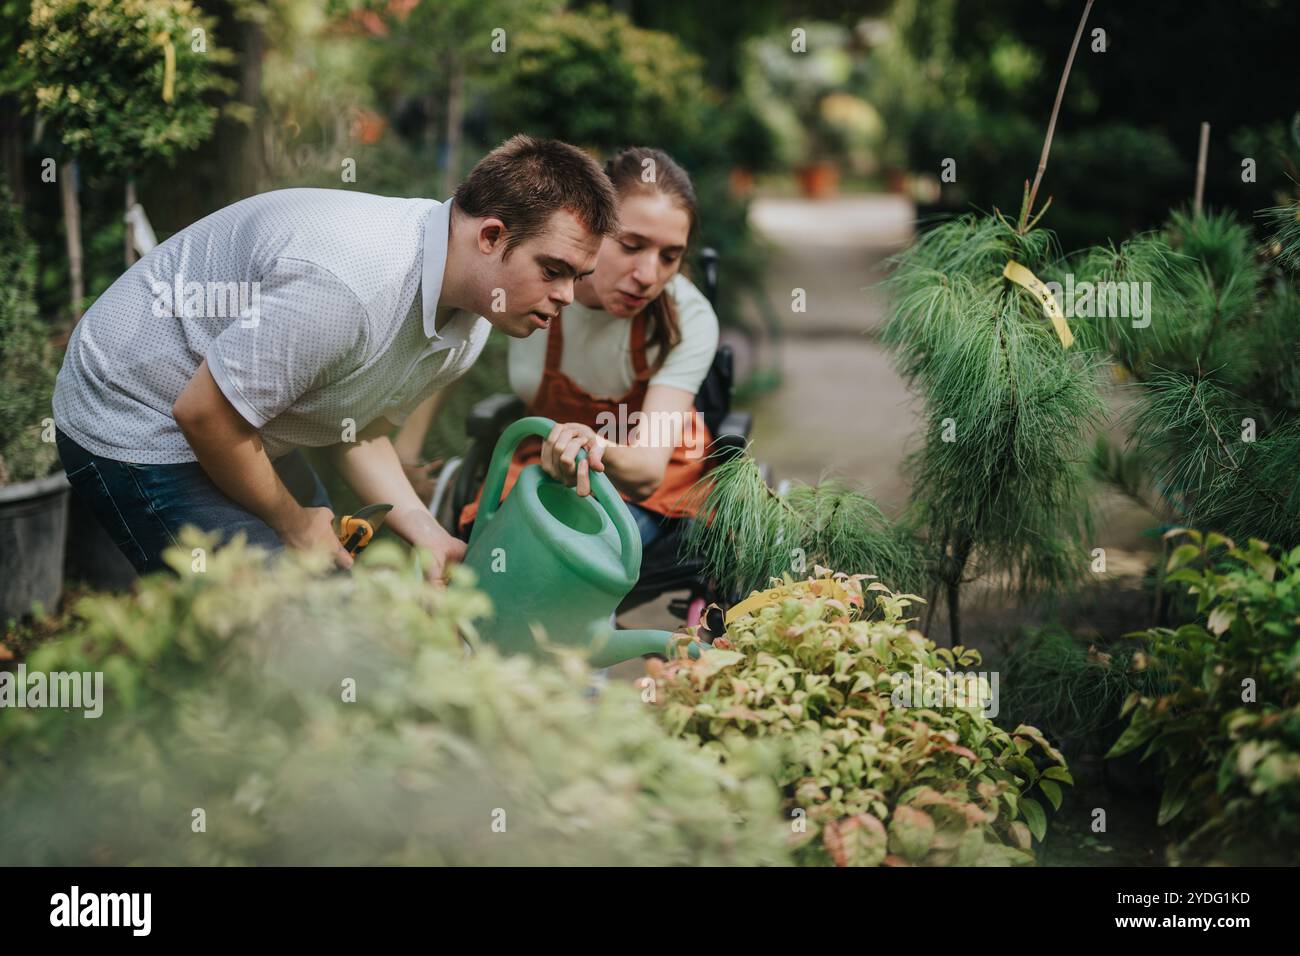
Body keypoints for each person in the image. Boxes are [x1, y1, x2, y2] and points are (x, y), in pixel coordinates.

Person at [52, 135, 619, 583]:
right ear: (492, 237)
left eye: (578, 277)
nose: (567, 296)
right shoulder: (350, 286)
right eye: (553, 270)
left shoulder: (471, 321)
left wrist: (425, 530)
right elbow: (202, 415)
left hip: (241, 416)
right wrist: (293, 521)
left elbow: (360, 425)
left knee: (329, 592)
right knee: (271, 628)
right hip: (136, 411)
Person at [431, 146, 718, 548]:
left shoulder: (689, 316)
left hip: (650, 486)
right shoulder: (531, 281)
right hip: (546, 466)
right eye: (631, 246)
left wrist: (593, 444)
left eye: (670, 256)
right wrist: (406, 456)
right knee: (490, 541)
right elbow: (447, 345)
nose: (649, 276)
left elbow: (647, 469)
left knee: (574, 548)